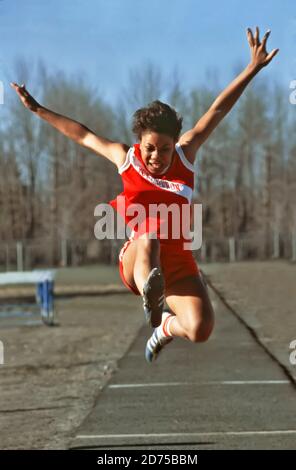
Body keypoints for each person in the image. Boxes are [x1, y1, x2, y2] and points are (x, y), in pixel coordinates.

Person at [11, 27, 278, 362]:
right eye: (151, 148)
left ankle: (164, 327)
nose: (157, 157)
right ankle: (152, 302)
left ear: (174, 144)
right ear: (141, 141)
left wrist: (251, 68)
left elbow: (217, 111)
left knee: (200, 329)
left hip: (179, 261)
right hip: (138, 258)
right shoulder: (126, 158)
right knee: (150, 235)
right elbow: (82, 135)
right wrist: (38, 110)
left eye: (164, 149)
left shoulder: (185, 154)